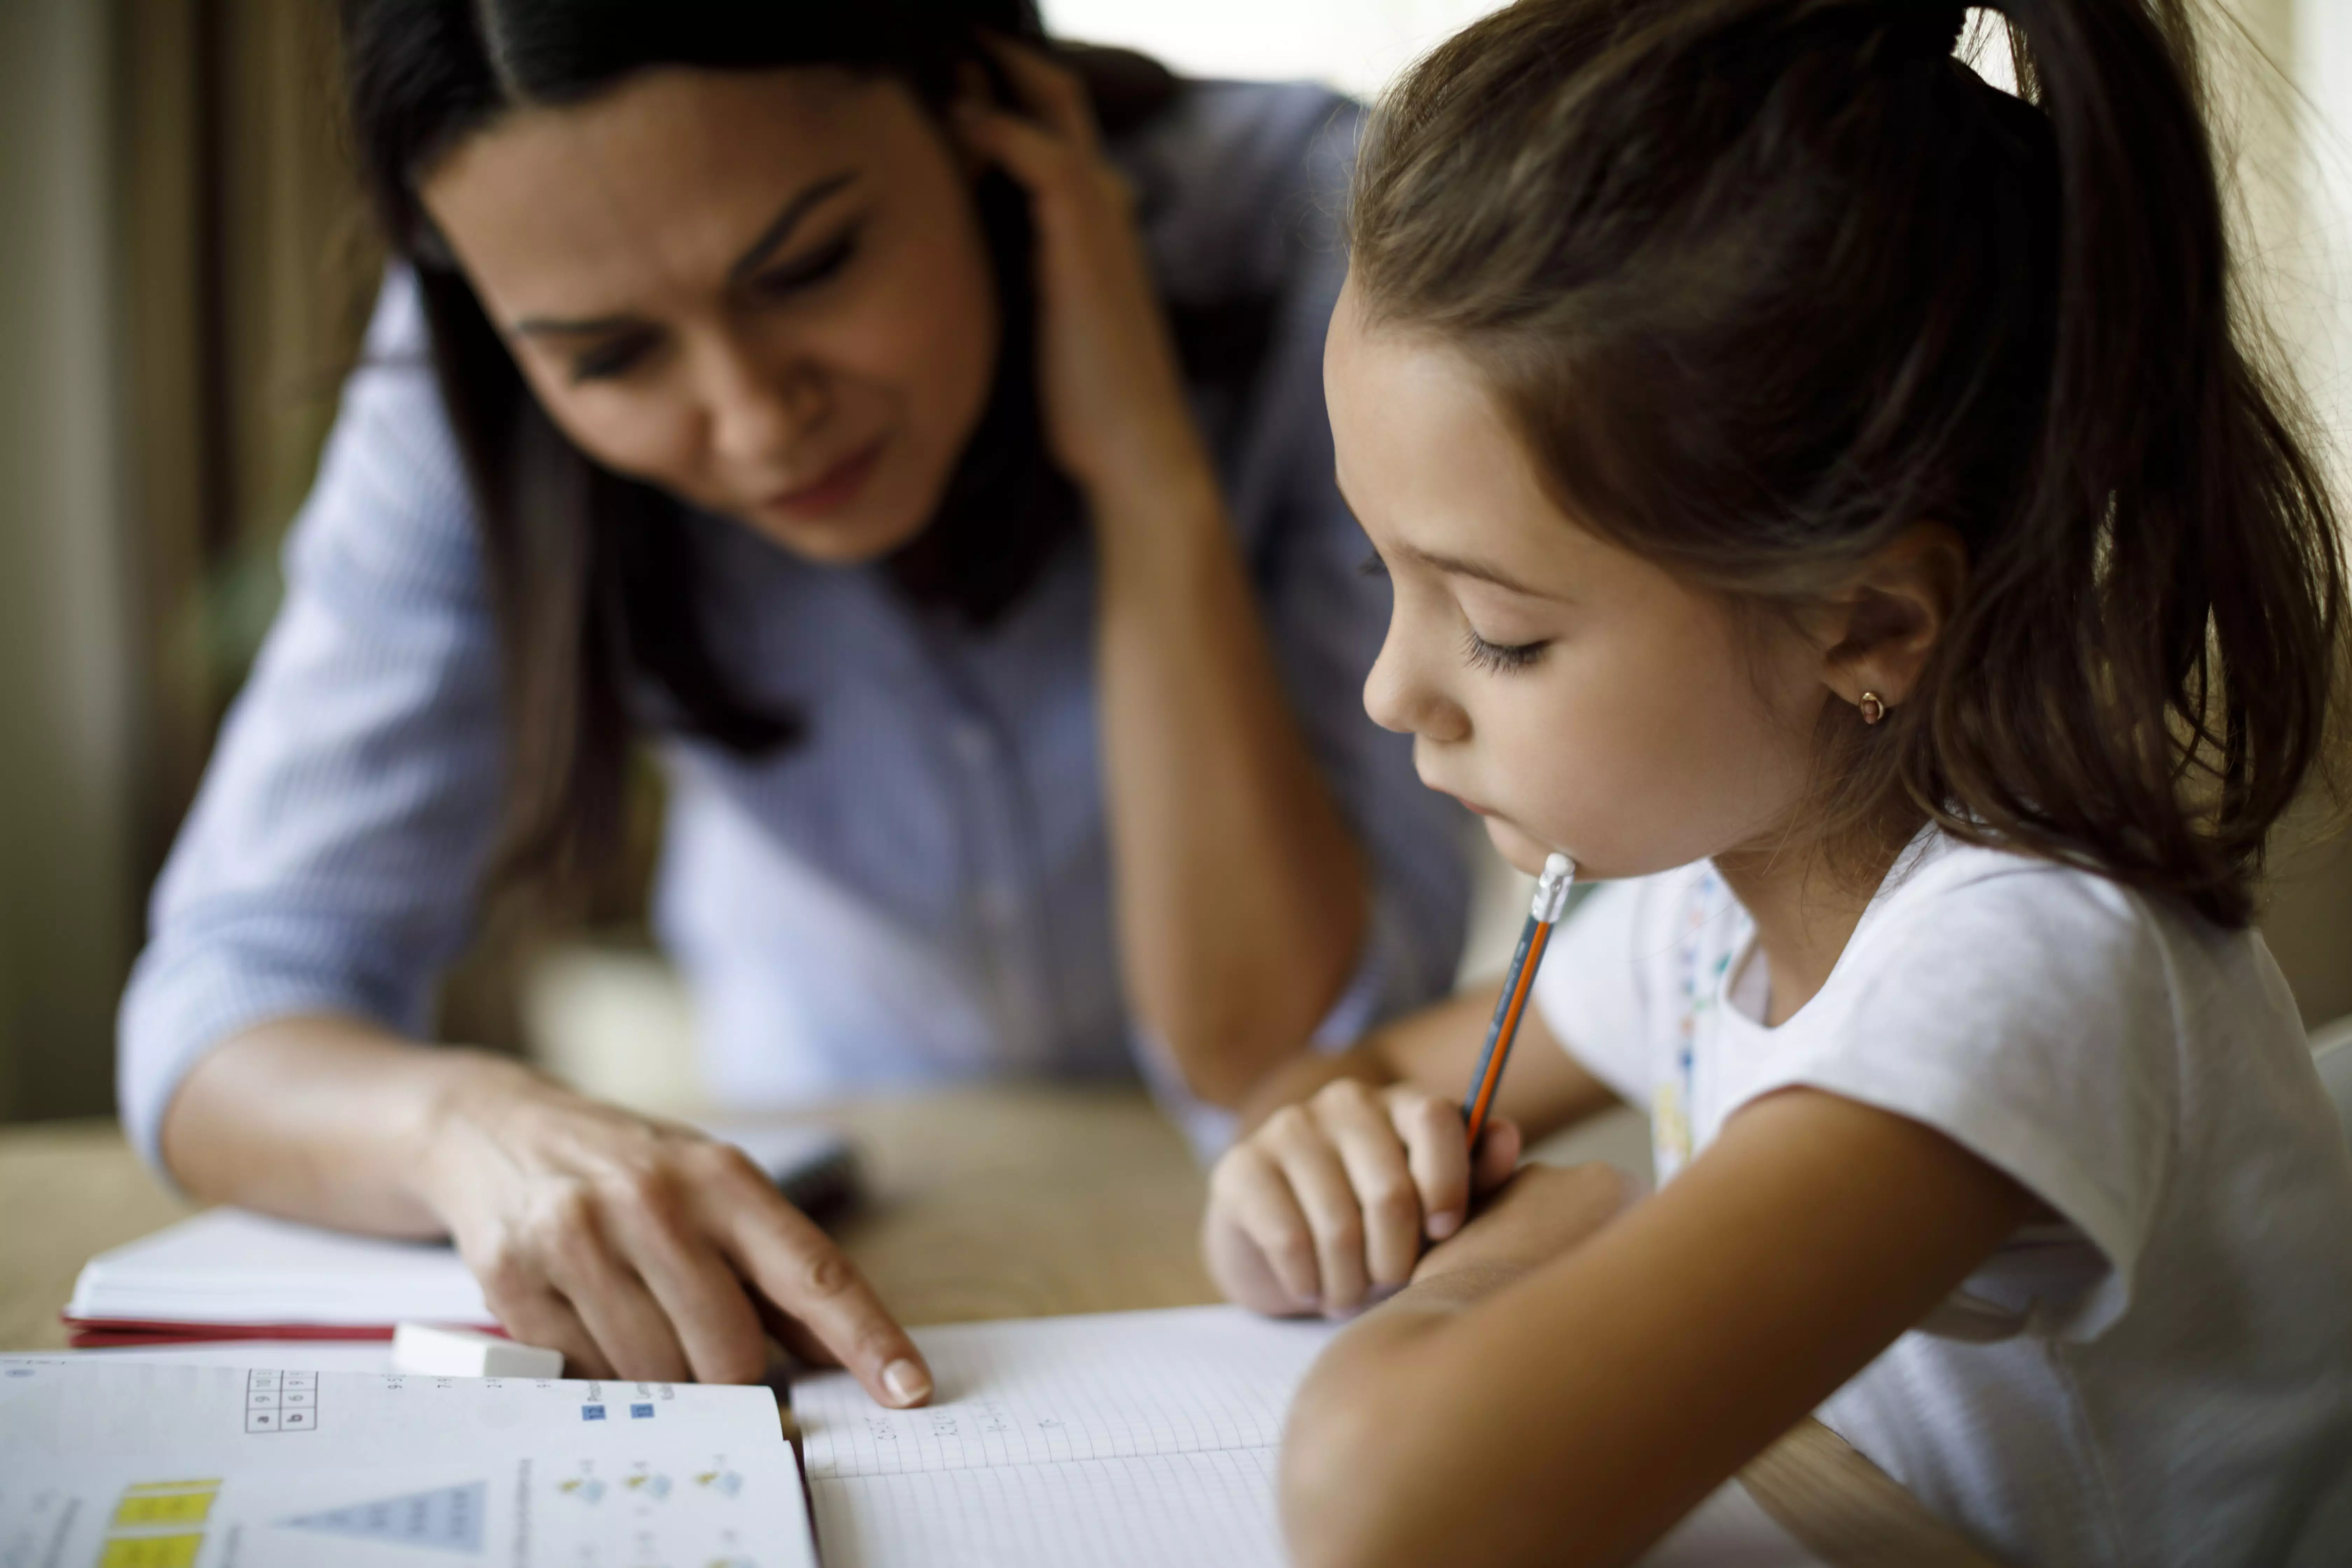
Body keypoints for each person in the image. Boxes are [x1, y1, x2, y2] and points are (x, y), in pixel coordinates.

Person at [118, 0, 1469, 1402]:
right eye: (613, 359)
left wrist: (1145, 472)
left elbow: (1273, 1057)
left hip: (1276, 1219)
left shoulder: (1328, 229)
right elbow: (232, 992)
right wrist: (470, 1123)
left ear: (975, 109)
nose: (758, 422)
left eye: (812, 265)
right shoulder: (488, 337)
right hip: (860, 1184)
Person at [1200, 0, 2352, 1563]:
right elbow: (1333, 1086)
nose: (1390, 689)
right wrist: (1308, 1179)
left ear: (1866, 626)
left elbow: (1396, 1513)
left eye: (1497, 629)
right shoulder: (1708, 908)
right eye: (1377, 568)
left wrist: (1497, 1276)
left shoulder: (2027, 975)